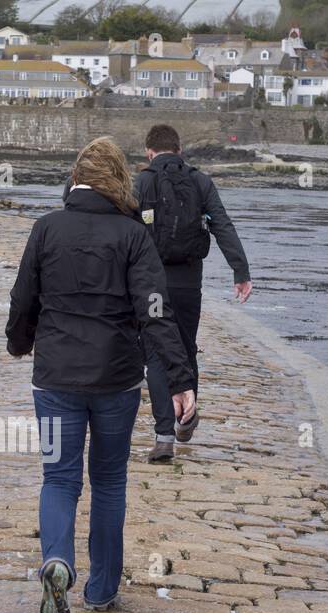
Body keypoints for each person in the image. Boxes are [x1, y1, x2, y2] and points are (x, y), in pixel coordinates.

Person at [7, 136, 196, 613]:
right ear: (119, 182)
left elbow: (23, 297)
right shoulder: (134, 236)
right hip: (116, 379)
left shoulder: (46, 229)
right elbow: (156, 312)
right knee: (109, 483)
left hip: (54, 380)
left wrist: (19, 342)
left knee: (58, 478)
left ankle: (57, 562)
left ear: (75, 178)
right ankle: (101, 590)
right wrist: (179, 380)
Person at [134, 124, 252, 463]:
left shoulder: (142, 182)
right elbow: (222, 224)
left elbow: (124, 231)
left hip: (152, 284)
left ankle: (164, 436)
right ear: (180, 149)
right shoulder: (200, 182)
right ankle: (186, 418)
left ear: (149, 152)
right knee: (186, 349)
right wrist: (240, 272)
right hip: (189, 283)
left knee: (156, 354)